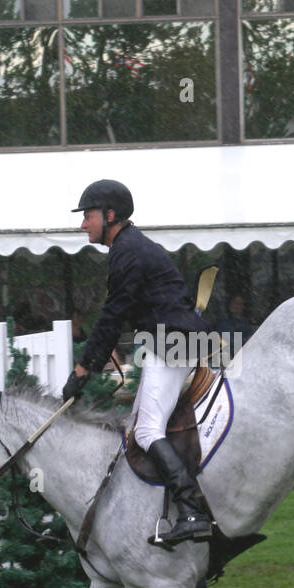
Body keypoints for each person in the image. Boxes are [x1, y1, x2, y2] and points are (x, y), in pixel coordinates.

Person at [61, 179, 213, 547]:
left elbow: (113, 316)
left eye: (88, 216)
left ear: (110, 215)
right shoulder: (130, 246)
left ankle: (192, 511)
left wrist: (84, 368)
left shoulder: (126, 252)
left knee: (145, 432)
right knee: (136, 429)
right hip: (172, 341)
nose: (83, 224)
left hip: (172, 344)